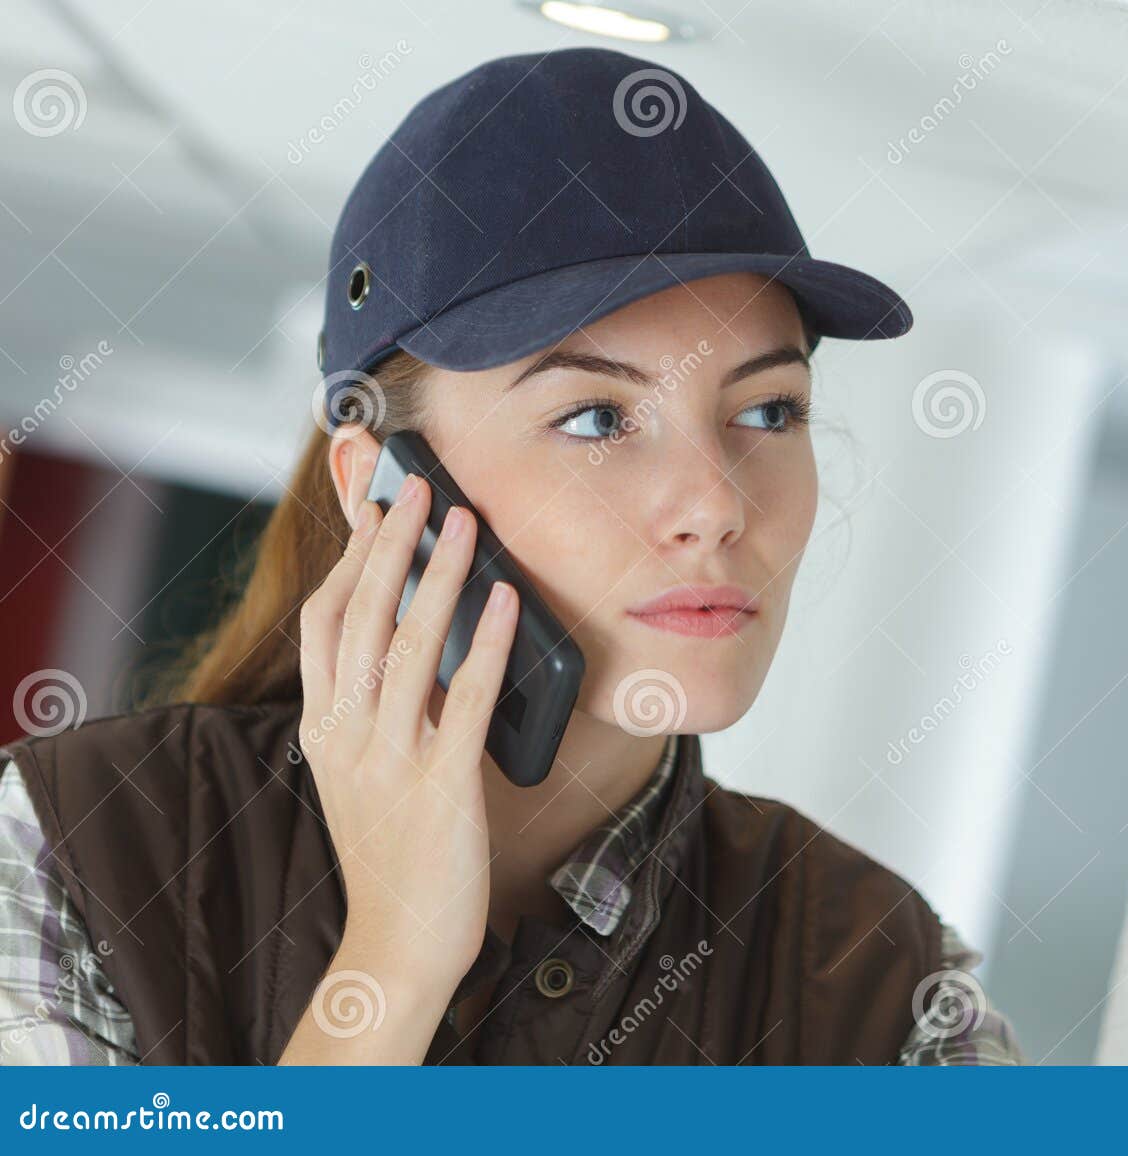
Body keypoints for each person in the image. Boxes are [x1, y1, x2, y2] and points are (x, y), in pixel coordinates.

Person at [0, 47, 1024, 1066]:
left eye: (768, 409)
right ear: (382, 486)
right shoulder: (69, 850)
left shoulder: (883, 981)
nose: (715, 503)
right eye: (595, 417)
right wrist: (397, 958)